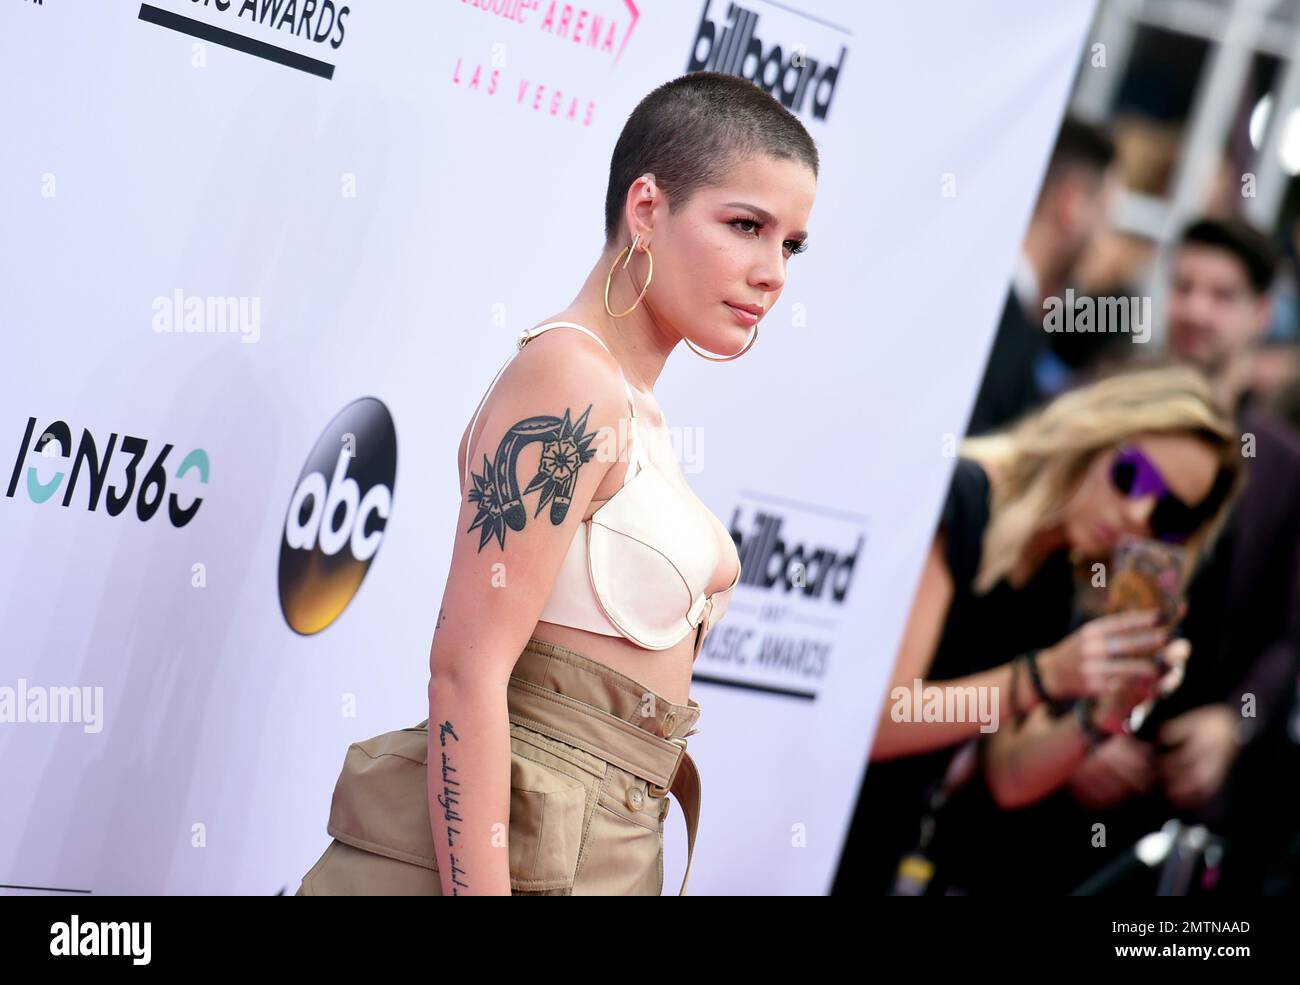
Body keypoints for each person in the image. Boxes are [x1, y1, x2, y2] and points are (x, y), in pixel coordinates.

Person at [295, 70, 818, 896]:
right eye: (745, 226)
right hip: (509, 854)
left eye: (790, 244)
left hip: (607, 845)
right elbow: (466, 670)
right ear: (646, 209)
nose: (772, 272)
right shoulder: (572, 379)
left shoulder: (636, 405)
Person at [832, 366, 1240, 895]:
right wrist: (1047, 675)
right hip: (812, 829)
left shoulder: (1056, 572)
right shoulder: (965, 496)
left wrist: (1101, 714)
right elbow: (883, 721)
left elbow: (1010, 776)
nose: (1139, 513)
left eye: (1170, 517)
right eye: (1132, 475)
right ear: (1095, 432)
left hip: (887, 851)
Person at [966, 116, 1117, 436]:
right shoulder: (1002, 328)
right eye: (1104, 215)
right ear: (1071, 205)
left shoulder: (983, 299)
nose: (1103, 242)